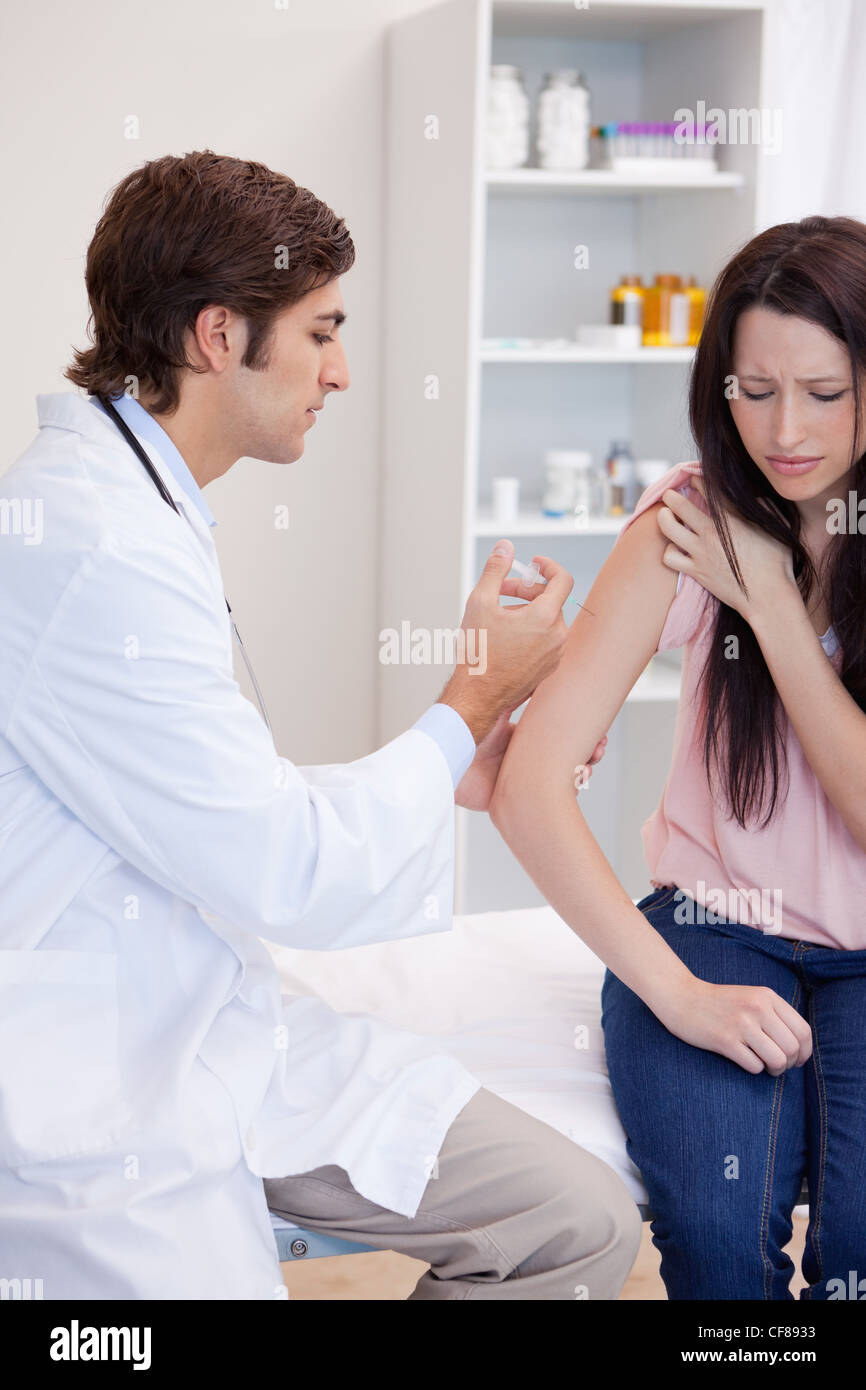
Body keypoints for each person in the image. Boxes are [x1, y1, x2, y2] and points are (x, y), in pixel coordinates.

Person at [0, 150, 640, 1300]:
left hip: (220, 1019)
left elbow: (221, 802)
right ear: (216, 336)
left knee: (574, 1222)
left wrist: (454, 754)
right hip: (99, 1078)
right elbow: (278, 864)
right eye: (320, 330)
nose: (341, 372)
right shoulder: (95, 547)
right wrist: (471, 699)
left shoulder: (136, 505)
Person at [489, 214, 866, 1300]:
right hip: (712, 936)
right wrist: (679, 996)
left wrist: (780, 621)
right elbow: (527, 784)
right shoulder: (681, 522)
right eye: (752, 390)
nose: (782, 429)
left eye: (823, 392)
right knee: (711, 1241)